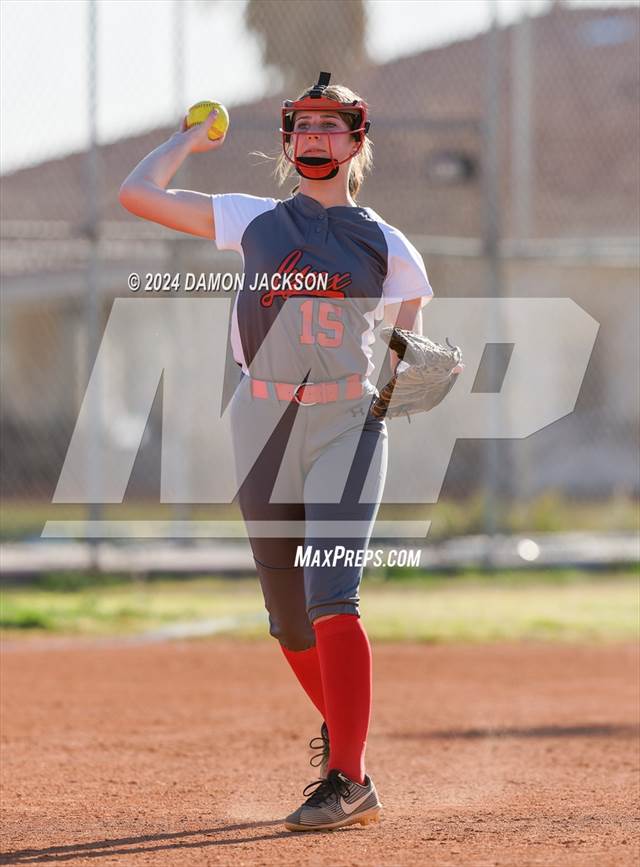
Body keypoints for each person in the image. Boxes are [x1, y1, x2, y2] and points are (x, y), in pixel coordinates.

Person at [119, 72, 433, 832]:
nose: (318, 139)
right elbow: (138, 193)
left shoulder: (391, 247)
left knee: (333, 593)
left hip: (346, 426)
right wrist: (191, 139)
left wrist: (408, 376)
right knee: (290, 622)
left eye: (334, 127)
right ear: (288, 144)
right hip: (260, 426)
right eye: (304, 127)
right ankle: (350, 746)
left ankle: (347, 775)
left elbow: (409, 342)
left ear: (358, 142)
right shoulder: (253, 220)